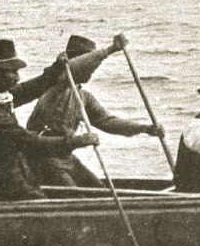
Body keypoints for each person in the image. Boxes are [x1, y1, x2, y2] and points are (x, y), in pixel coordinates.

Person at [0, 39, 100, 201]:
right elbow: (29, 141)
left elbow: (29, 89)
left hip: (15, 171)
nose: (17, 77)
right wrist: (76, 141)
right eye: (12, 71)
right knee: (44, 203)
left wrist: (57, 67)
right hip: (0, 181)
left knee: (92, 189)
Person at [25, 33, 162, 187]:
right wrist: (110, 50)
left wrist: (144, 128)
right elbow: (76, 68)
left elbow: (107, 122)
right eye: (92, 63)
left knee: (100, 189)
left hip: (66, 157)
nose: (93, 69)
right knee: (76, 197)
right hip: (43, 158)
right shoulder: (55, 87)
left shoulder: (83, 97)